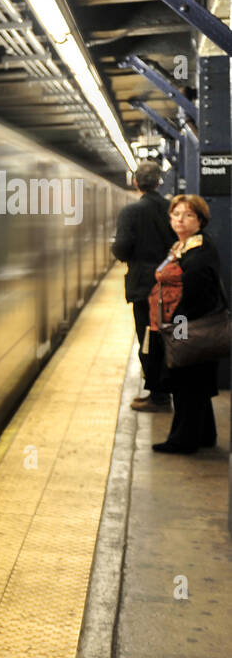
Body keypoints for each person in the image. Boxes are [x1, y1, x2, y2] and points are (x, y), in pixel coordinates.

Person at [147, 195, 224, 454]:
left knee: (186, 384)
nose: (180, 219)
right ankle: (203, 434)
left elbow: (195, 297)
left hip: (190, 326)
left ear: (200, 220)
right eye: (176, 214)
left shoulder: (199, 253)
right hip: (187, 324)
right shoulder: (183, 246)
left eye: (188, 215)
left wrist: (177, 330)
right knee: (195, 384)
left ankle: (183, 440)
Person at [111, 161, 176, 411]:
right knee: (165, 336)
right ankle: (162, 390)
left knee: (147, 338)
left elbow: (122, 247)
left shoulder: (132, 212)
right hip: (170, 284)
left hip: (144, 286)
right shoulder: (171, 208)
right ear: (159, 182)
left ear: (136, 182)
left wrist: (122, 254)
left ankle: (158, 395)